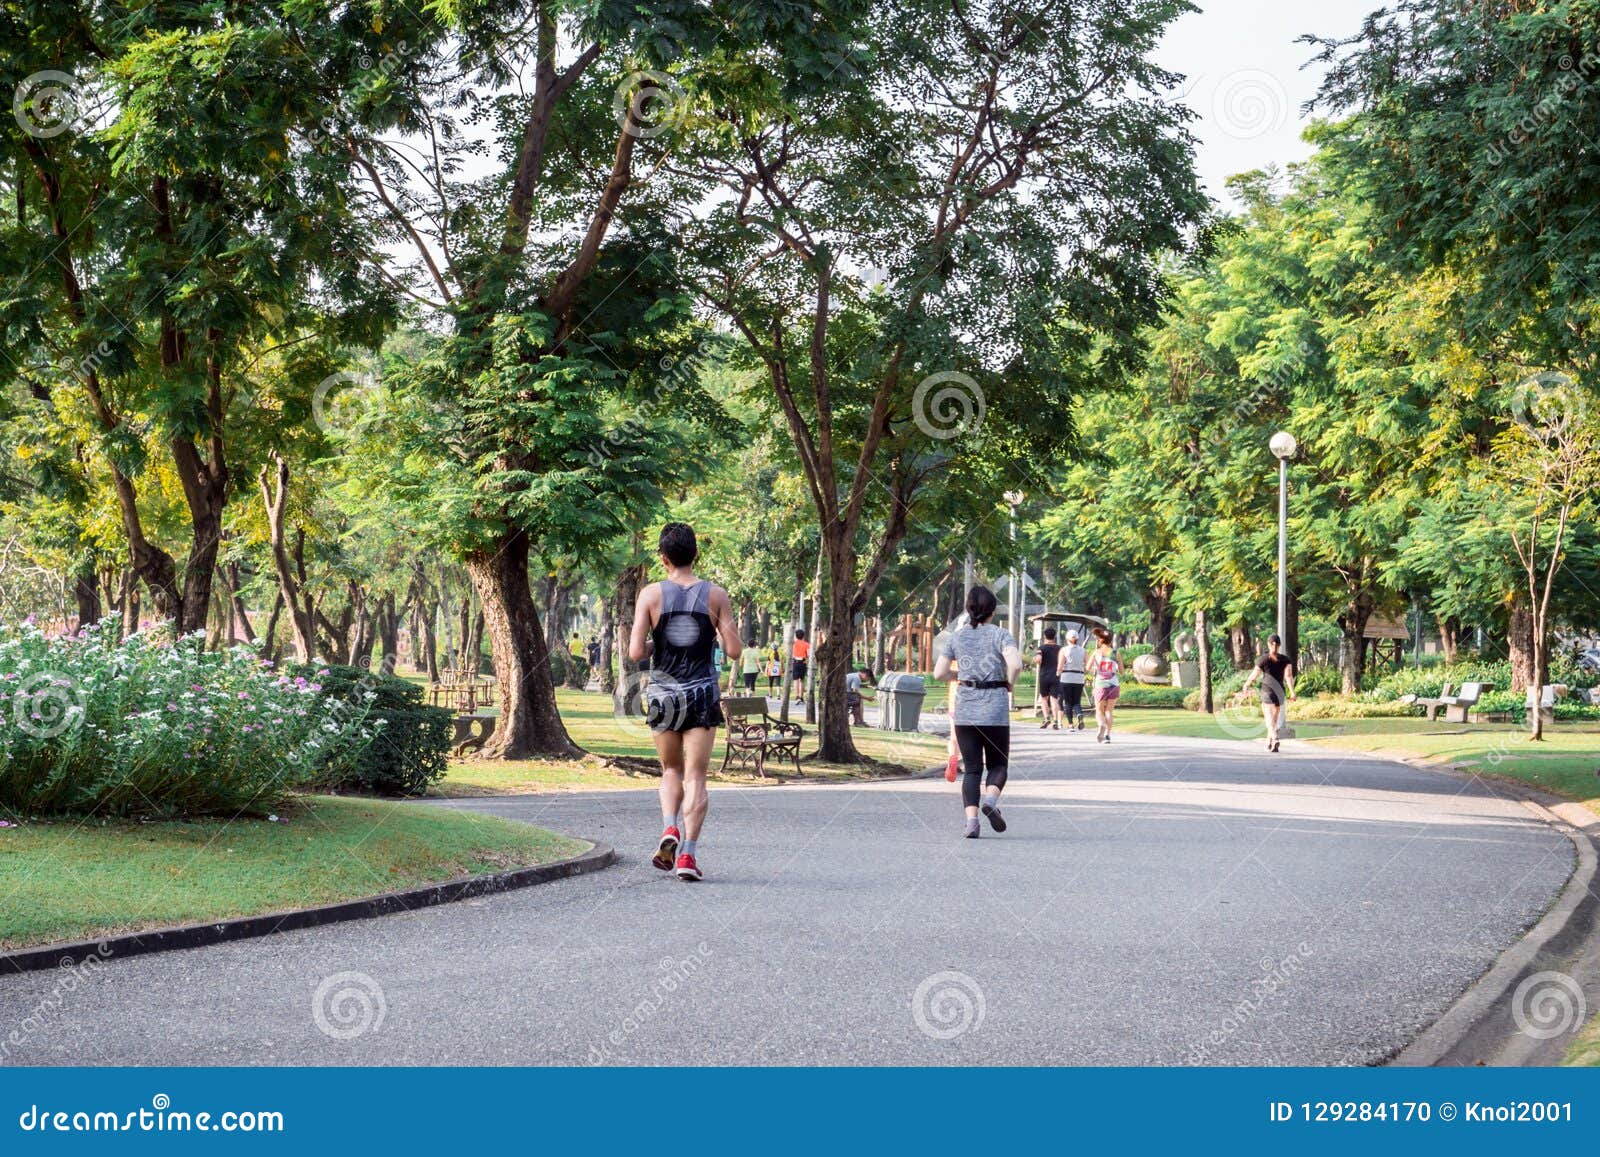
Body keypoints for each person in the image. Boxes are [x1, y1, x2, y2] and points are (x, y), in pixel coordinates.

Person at [628, 523, 742, 882]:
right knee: (696, 776)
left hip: (663, 694)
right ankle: (688, 857)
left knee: (671, 771)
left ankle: (669, 829)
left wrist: (655, 646)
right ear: (696, 554)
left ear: (663, 558)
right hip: (702, 693)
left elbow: (634, 653)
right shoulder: (716, 595)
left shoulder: (649, 595)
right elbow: (734, 650)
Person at [934, 586, 1022, 838]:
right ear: (992, 610)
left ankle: (971, 822)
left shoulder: (956, 637)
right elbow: (1015, 663)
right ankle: (991, 801)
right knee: (998, 764)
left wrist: (959, 675)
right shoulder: (1001, 635)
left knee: (972, 769)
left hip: (965, 708)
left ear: (968, 609)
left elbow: (939, 673)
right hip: (994, 707)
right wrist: (1009, 682)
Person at [1240, 633, 1297, 753]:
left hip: (1267, 692)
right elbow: (1288, 676)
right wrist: (1292, 692)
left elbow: (1254, 676)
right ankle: (1269, 744)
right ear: (1279, 645)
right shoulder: (1285, 659)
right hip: (1280, 692)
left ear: (1269, 644)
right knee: (1274, 721)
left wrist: (1246, 685)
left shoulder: (1263, 659)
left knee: (1269, 720)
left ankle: (1275, 738)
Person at [1088, 626, 1121, 744]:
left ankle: (1101, 725)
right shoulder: (1116, 653)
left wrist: (1094, 669)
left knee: (1099, 710)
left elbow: (1087, 668)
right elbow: (1121, 671)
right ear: (1111, 641)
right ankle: (1107, 735)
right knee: (1109, 711)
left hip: (1100, 683)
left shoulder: (1096, 652)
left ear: (1100, 640)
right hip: (1114, 683)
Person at [1056, 630, 1087, 731]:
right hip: (1079, 678)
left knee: (1068, 702)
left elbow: (1060, 666)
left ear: (1067, 639)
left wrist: (1057, 673)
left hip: (1066, 677)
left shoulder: (1064, 650)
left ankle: (1070, 724)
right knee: (1077, 701)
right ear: (1077, 639)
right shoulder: (1083, 650)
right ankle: (1079, 714)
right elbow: (1087, 665)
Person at [1035, 626, 1063, 730]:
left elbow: (1038, 659)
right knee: (1054, 699)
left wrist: (1036, 660)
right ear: (1055, 636)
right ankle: (1056, 720)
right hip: (1056, 676)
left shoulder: (1041, 648)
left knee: (1043, 698)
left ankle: (1046, 718)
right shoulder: (1060, 648)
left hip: (1044, 676)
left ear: (1044, 636)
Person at [790, 628, 810, 701]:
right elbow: (808, 654)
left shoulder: (793, 644)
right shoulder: (807, 644)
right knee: (802, 680)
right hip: (803, 662)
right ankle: (801, 697)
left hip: (795, 662)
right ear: (803, 636)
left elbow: (791, 654)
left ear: (796, 636)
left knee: (795, 680)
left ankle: (797, 696)